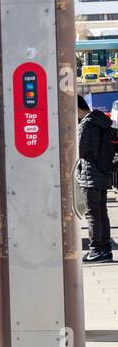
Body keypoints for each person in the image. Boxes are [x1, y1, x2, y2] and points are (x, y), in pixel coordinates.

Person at [77, 95, 114, 262]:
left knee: (92, 215)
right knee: (102, 213)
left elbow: (79, 151)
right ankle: (106, 250)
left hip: (89, 175)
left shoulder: (85, 125)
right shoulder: (102, 122)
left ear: (77, 109)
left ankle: (95, 250)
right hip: (104, 173)